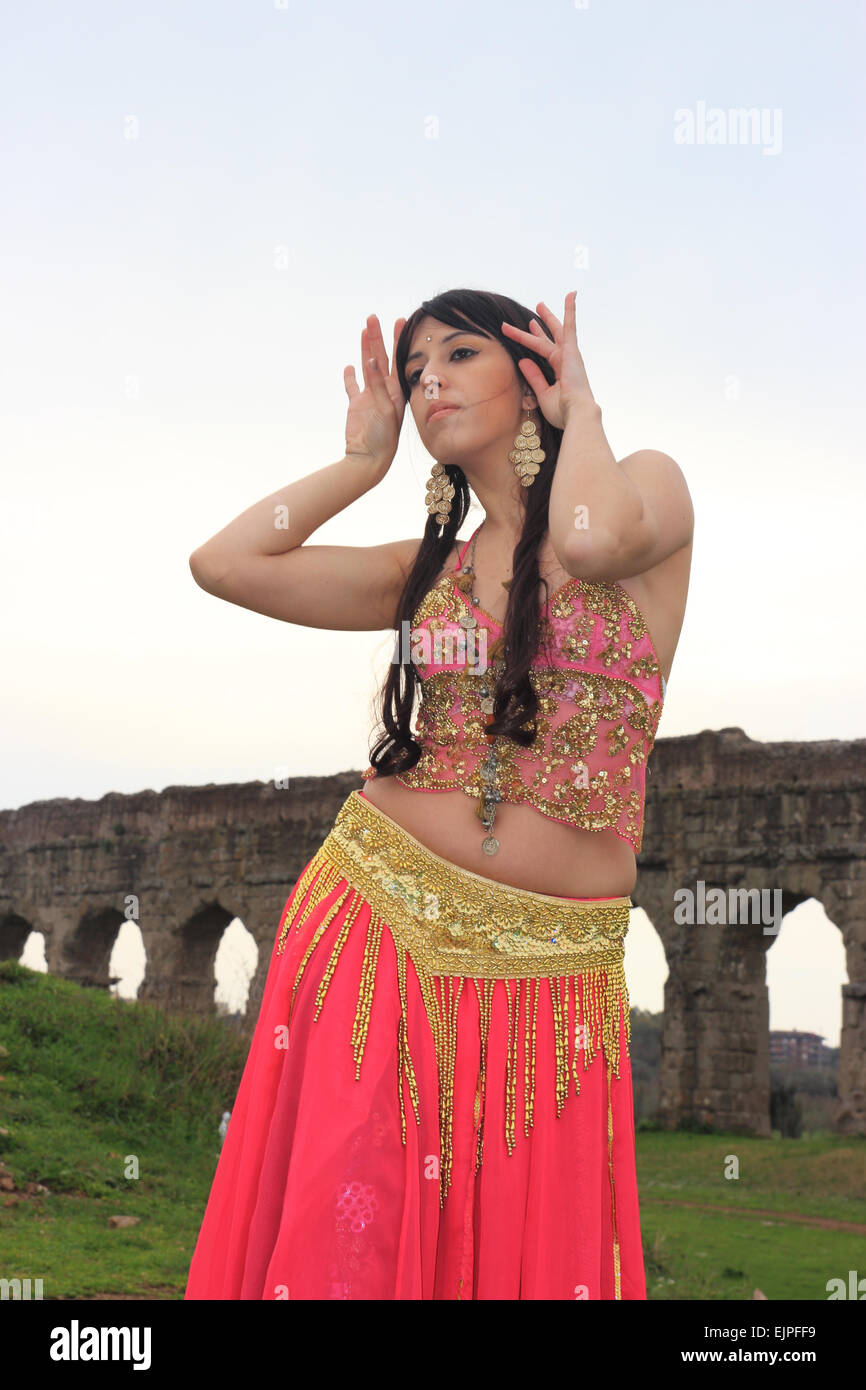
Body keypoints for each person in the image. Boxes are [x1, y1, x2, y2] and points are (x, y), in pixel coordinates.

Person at [184, 287, 693, 1300]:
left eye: (457, 355)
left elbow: (586, 543)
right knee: (351, 1237)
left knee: (520, 1260)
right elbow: (225, 563)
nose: (428, 383)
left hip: (553, 967)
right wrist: (357, 465)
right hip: (377, 921)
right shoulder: (427, 575)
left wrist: (579, 411)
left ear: (534, 369)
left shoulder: (645, 495)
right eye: (415, 373)